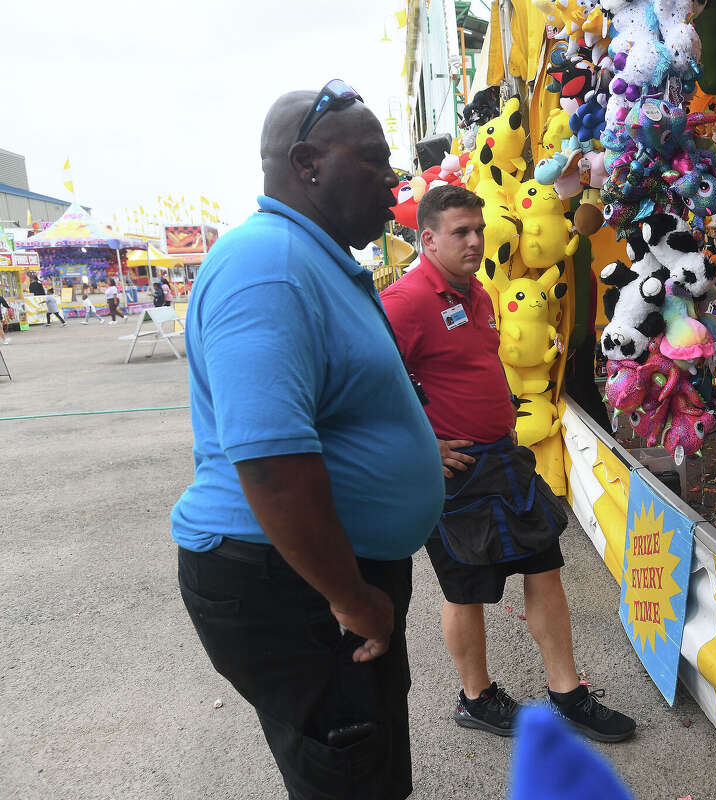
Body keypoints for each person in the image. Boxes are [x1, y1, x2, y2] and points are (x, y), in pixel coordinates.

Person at [170, 80, 443, 799]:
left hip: (321, 574)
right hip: (295, 583)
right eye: (375, 159)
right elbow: (270, 463)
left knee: (368, 761)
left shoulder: (308, 256)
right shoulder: (268, 265)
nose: (395, 179)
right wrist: (352, 599)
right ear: (308, 164)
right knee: (349, 774)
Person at [381, 184, 636, 743]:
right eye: (461, 233)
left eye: (478, 230)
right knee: (465, 589)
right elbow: (374, 383)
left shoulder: (475, 293)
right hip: (456, 473)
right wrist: (425, 445)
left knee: (545, 567)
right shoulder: (405, 301)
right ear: (427, 239)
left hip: (505, 457)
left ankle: (567, 693)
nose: (476, 242)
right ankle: (476, 697)